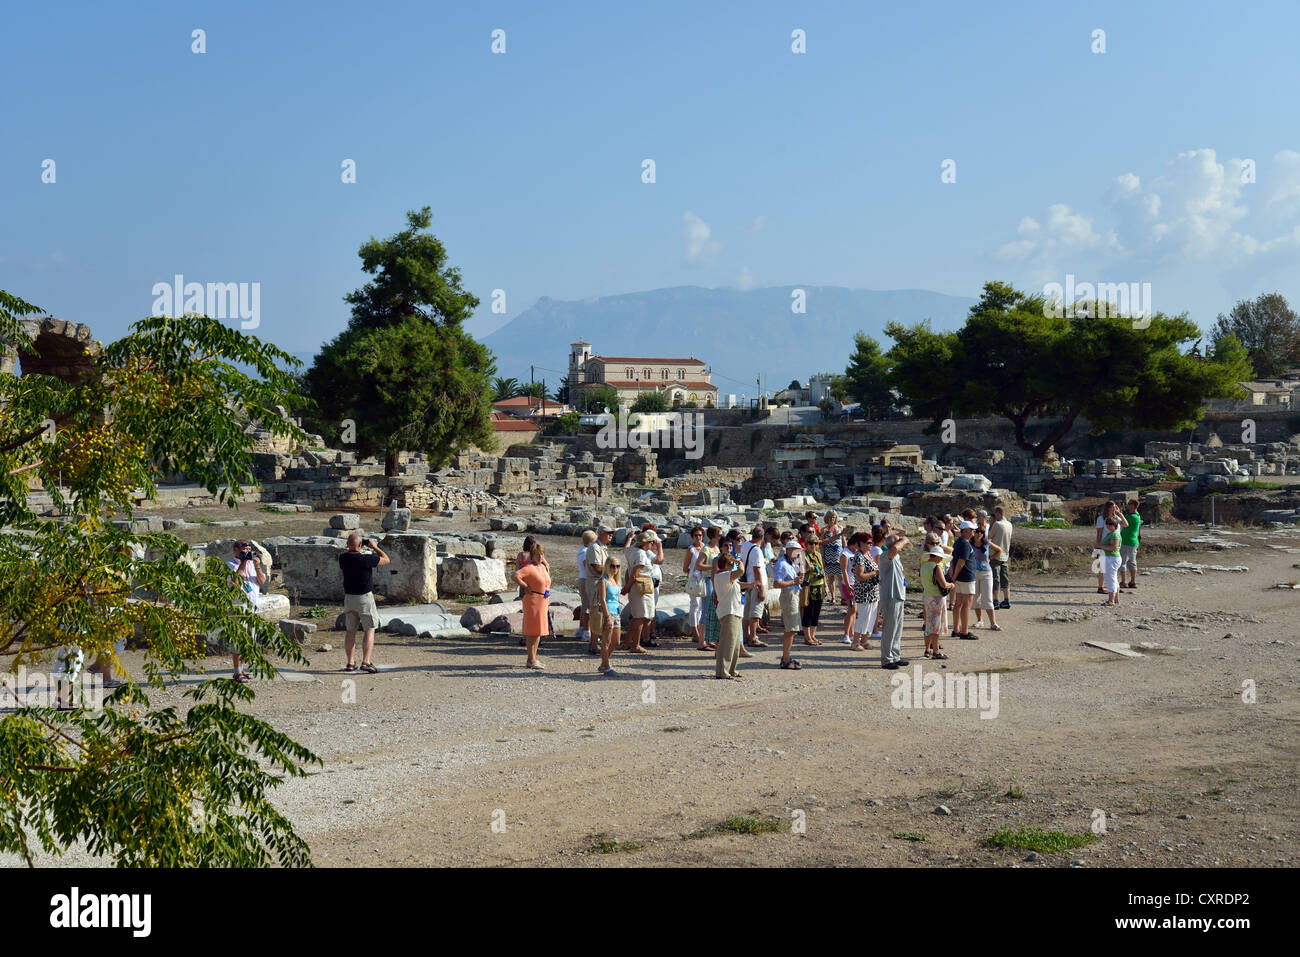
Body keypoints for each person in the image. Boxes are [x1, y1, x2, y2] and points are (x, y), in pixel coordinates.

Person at [339, 533, 389, 675]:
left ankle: (350, 662)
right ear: (360, 545)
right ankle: (366, 661)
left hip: (349, 598)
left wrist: (359, 544)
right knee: (369, 629)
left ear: (348, 544)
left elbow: (352, 550)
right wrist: (374, 547)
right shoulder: (366, 559)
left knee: (350, 631)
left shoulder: (342, 558)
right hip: (364, 598)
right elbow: (386, 560)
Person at [877, 532, 911, 670]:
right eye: (898, 542)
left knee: (897, 630)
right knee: (889, 629)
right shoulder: (886, 556)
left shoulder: (896, 557)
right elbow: (895, 549)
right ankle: (886, 659)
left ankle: (895, 656)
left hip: (898, 596)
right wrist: (904, 539)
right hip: (890, 596)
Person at [713, 550, 747, 679]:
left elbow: (739, 584)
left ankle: (731, 669)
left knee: (735, 644)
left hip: (736, 611)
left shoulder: (728, 577)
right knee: (727, 643)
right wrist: (740, 563)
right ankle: (723, 671)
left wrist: (754, 584)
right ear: (726, 564)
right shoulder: (722, 575)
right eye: (731, 563)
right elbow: (741, 572)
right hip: (729, 611)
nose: (733, 566)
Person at [772, 540, 805, 670]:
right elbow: (776, 583)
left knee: (793, 628)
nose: (798, 554)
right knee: (790, 629)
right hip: (788, 595)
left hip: (793, 594)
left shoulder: (790, 562)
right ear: (789, 550)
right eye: (797, 551)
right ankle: (785, 659)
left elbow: (799, 573)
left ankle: (786, 657)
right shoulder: (781, 564)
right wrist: (793, 581)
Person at [622, 532, 656, 654]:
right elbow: (635, 574)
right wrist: (627, 587)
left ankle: (627, 642)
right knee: (641, 617)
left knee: (637, 616)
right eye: (650, 542)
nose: (652, 544)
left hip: (638, 588)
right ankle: (635, 644)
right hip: (641, 587)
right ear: (645, 543)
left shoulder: (632, 551)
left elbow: (625, 549)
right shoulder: (641, 555)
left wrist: (627, 587)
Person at [848, 532, 880, 651]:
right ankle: (855, 642)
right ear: (860, 543)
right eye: (868, 543)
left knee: (871, 617)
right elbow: (860, 576)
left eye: (871, 543)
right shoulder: (859, 556)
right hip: (864, 592)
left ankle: (865, 640)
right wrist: (874, 573)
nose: (870, 545)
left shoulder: (868, 555)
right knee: (863, 617)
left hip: (873, 591)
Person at [684, 526, 714, 651]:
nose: (698, 537)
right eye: (696, 535)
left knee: (703, 606)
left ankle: (702, 633)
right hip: (695, 580)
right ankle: (694, 631)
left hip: (706, 579)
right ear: (692, 536)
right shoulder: (691, 550)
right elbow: (685, 567)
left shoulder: (705, 548)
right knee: (695, 605)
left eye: (700, 535)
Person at [739, 527, 768, 649]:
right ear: (762, 537)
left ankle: (746, 636)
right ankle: (753, 637)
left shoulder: (745, 545)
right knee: (755, 612)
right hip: (756, 584)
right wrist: (761, 589)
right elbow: (757, 570)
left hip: (748, 582)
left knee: (747, 612)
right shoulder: (757, 551)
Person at [920, 545, 951, 660]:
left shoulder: (924, 566)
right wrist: (951, 585)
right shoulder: (936, 567)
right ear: (937, 556)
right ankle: (936, 651)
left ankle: (927, 649)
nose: (941, 559)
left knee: (928, 624)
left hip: (927, 596)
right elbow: (943, 584)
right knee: (936, 626)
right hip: (937, 598)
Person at [970, 526, 1002, 632]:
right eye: (977, 531)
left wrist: (991, 558)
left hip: (986, 573)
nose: (979, 534)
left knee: (987, 598)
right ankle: (980, 620)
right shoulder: (969, 544)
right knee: (975, 598)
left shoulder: (987, 543)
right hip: (973, 573)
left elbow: (999, 550)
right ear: (974, 533)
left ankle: (993, 623)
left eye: (982, 532)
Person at [798, 524, 825, 645]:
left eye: (815, 543)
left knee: (816, 613)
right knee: (808, 612)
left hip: (819, 586)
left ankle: (813, 636)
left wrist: (826, 587)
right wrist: (807, 569)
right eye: (811, 544)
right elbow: (798, 571)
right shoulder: (803, 555)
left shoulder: (818, 555)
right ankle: (807, 637)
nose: (813, 546)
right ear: (806, 544)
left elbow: (822, 570)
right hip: (809, 587)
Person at [950, 521, 977, 640]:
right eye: (971, 529)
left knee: (958, 603)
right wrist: (954, 576)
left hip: (961, 577)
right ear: (965, 531)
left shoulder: (958, 542)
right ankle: (964, 632)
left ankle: (956, 629)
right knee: (966, 604)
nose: (973, 532)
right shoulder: (965, 544)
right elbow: (961, 562)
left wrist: (954, 577)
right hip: (966, 577)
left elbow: (953, 560)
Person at [1094, 502, 1128, 593]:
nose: (1114, 509)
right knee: (1102, 566)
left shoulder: (1116, 518)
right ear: (1107, 508)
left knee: (1113, 566)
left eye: (1115, 507)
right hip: (1104, 543)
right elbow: (1099, 533)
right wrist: (1097, 547)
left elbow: (1126, 524)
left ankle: (1115, 587)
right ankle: (1100, 587)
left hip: (1115, 543)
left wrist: (1119, 513)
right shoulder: (1101, 519)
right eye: (1112, 507)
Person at [596, 556, 623, 674]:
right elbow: (602, 599)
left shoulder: (615, 580)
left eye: (617, 566)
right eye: (612, 566)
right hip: (608, 612)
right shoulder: (603, 580)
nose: (615, 569)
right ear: (607, 566)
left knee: (616, 641)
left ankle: (603, 663)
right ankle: (606, 666)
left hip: (616, 612)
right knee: (606, 641)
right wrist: (607, 616)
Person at [701, 526, 723, 649]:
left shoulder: (716, 548)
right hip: (708, 580)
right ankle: (702, 641)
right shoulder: (706, 549)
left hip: (715, 579)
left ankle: (709, 639)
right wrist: (713, 567)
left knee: (712, 611)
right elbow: (699, 565)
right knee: (706, 611)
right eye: (719, 535)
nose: (721, 536)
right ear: (713, 535)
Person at [988, 505, 1013, 609]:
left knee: (995, 579)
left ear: (998, 513)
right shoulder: (1010, 524)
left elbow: (988, 537)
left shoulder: (997, 524)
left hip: (995, 555)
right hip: (1005, 555)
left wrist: (991, 524)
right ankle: (1007, 599)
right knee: (1005, 579)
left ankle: (996, 600)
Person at [577, 530, 596, 652]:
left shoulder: (581, 550)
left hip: (583, 578)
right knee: (587, 606)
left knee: (585, 604)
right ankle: (586, 631)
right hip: (585, 579)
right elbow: (586, 566)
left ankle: (581, 628)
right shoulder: (585, 552)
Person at [821, 511, 845, 606]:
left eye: (834, 517)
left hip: (838, 555)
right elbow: (821, 544)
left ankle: (843, 597)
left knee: (841, 577)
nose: (832, 519)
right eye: (830, 517)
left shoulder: (840, 528)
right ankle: (833, 598)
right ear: (827, 518)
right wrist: (823, 557)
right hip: (828, 555)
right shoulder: (824, 529)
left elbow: (843, 541)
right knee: (830, 578)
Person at [840, 533, 860, 642]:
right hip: (849, 584)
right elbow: (844, 571)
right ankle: (846, 634)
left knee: (855, 610)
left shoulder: (855, 552)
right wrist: (848, 585)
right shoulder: (845, 554)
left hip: (856, 584)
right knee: (851, 609)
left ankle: (852, 633)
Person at [1100, 518, 1123, 605]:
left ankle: (1111, 600)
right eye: (1107, 524)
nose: (1108, 525)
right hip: (1110, 557)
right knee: (1113, 578)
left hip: (1111, 558)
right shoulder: (1111, 534)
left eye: (1110, 524)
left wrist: (1101, 546)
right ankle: (1115, 599)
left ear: (1115, 525)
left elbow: (1114, 547)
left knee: (1110, 579)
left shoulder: (1115, 535)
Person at [1121, 499, 1142, 589]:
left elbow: (1122, 523)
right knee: (1132, 562)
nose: (1128, 505)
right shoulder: (1137, 516)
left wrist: (1119, 514)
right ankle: (1132, 581)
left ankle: (1124, 581)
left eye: (1129, 504)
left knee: (1123, 562)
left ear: (1134, 505)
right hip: (1133, 541)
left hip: (1127, 541)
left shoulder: (1132, 517)